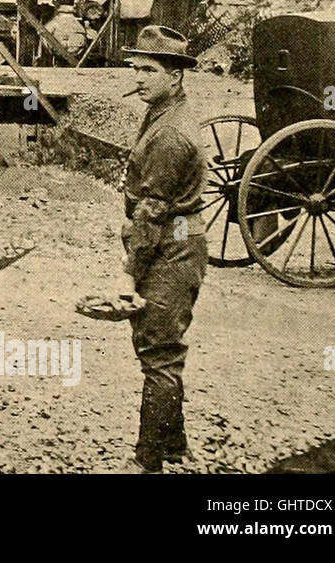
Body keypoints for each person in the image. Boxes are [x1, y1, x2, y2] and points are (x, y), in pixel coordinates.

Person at [118, 25, 208, 473]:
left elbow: (151, 212)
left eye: (148, 70)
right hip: (172, 241)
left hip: (171, 246)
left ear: (175, 77)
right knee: (159, 341)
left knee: (159, 351)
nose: (138, 77)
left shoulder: (170, 134)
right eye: (136, 68)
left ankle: (148, 459)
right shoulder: (163, 112)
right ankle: (172, 443)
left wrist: (128, 274)